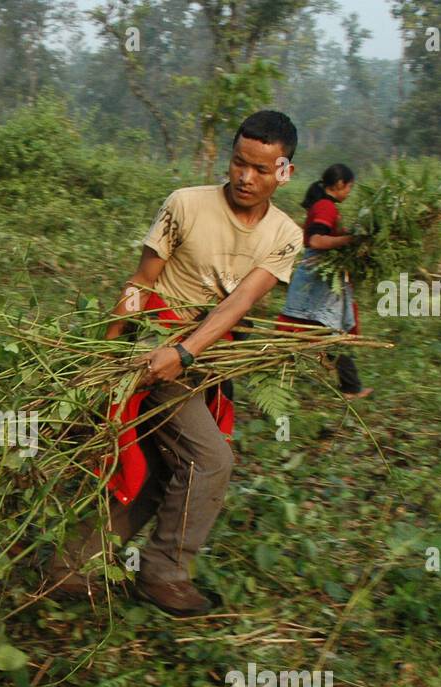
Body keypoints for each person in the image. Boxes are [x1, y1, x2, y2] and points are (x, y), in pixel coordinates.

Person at [47, 111, 304, 619]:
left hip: (199, 358)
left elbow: (239, 305)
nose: (245, 177)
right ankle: (164, 573)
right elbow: (141, 283)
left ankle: (68, 565)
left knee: (164, 472)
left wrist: (187, 353)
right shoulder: (184, 204)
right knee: (210, 462)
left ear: (284, 172)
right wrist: (105, 358)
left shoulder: (285, 235)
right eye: (238, 163)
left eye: (259, 169)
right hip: (153, 350)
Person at [279, 164, 372, 399]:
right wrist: (351, 239)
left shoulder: (323, 206)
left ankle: (348, 383)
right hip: (319, 279)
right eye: (349, 186)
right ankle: (350, 387)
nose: (349, 192)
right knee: (334, 328)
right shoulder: (325, 207)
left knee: (326, 327)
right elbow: (316, 241)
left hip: (319, 277)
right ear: (340, 185)